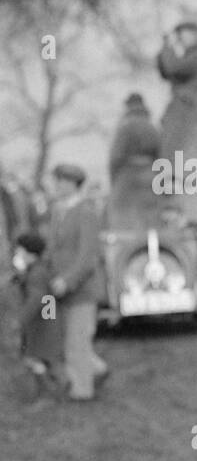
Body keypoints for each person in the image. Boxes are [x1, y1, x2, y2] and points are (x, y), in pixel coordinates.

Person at [47, 162, 107, 402]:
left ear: (74, 184)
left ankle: (82, 392)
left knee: (77, 341)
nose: (57, 186)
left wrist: (67, 280)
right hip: (60, 289)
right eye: (57, 180)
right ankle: (98, 369)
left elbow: (87, 257)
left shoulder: (86, 212)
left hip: (81, 289)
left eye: (62, 181)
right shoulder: (58, 211)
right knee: (68, 338)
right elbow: (54, 249)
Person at [156, 22, 197, 217]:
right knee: (170, 166)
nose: (181, 39)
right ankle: (173, 208)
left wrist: (168, 47)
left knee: (189, 166)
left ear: (195, 34)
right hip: (179, 115)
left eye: (183, 35)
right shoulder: (190, 56)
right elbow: (165, 70)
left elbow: (172, 68)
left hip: (188, 116)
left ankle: (191, 214)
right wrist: (165, 48)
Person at [10, 231, 63, 396]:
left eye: (19, 250)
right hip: (46, 321)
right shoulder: (40, 269)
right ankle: (51, 388)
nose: (17, 254)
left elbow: (36, 299)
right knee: (39, 358)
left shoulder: (37, 273)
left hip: (42, 323)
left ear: (29, 252)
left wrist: (20, 320)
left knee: (34, 358)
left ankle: (50, 390)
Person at [108, 93, 162, 183]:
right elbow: (161, 155)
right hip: (151, 176)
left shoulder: (125, 126)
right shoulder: (152, 127)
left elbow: (116, 156)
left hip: (129, 176)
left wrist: (114, 181)